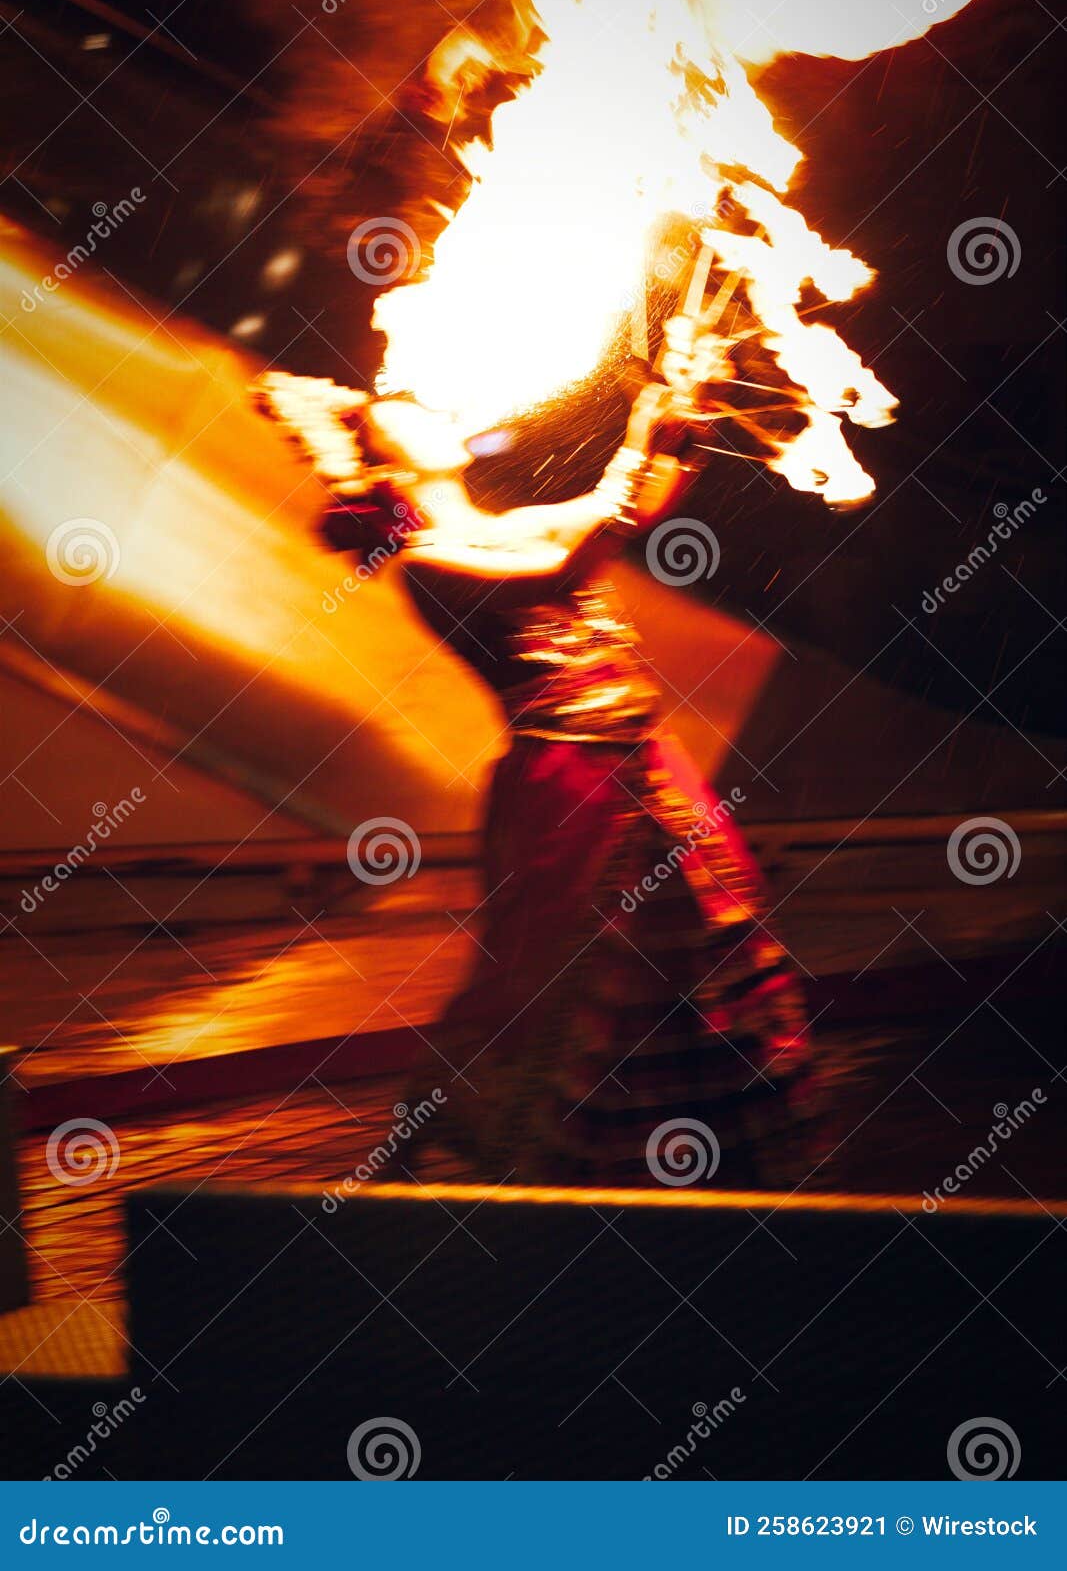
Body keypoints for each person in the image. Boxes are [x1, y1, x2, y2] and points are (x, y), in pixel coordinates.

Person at [257, 375, 812, 1185]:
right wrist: (639, 459)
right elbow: (566, 565)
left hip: (642, 763)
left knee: (694, 940)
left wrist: (668, 417)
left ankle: (699, 1138)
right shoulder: (426, 560)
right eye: (404, 413)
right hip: (569, 780)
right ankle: (457, 1130)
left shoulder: (509, 524)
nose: (434, 403)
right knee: (546, 970)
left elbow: (630, 505)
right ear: (388, 463)